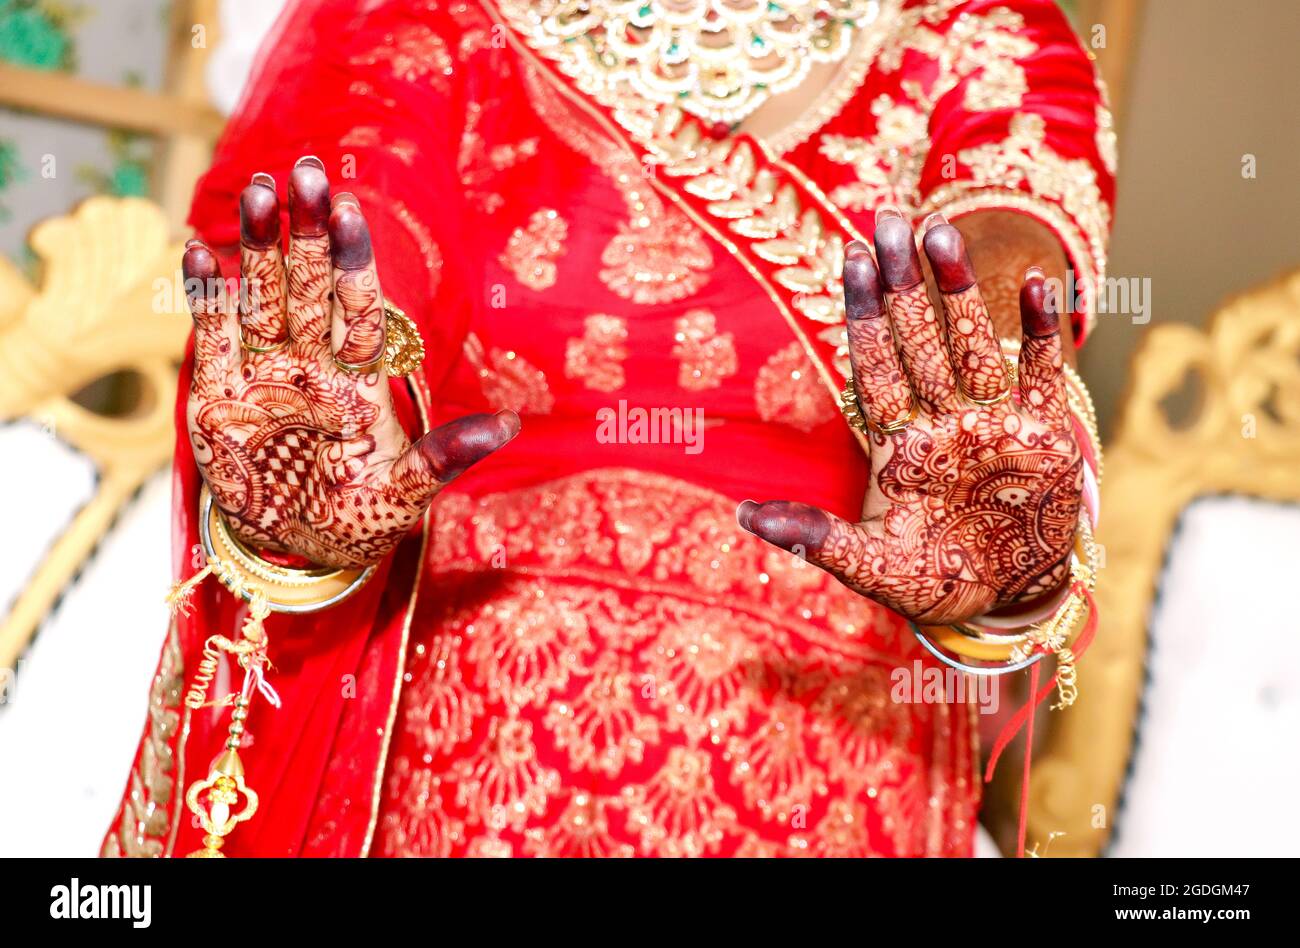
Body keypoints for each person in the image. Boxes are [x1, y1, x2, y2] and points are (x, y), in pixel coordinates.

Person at [103, 0, 1114, 858]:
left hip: (830, 759)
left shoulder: (975, 34)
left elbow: (1004, 249)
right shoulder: (431, 20)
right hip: (470, 736)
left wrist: (984, 428)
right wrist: (330, 412)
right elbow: (363, 220)